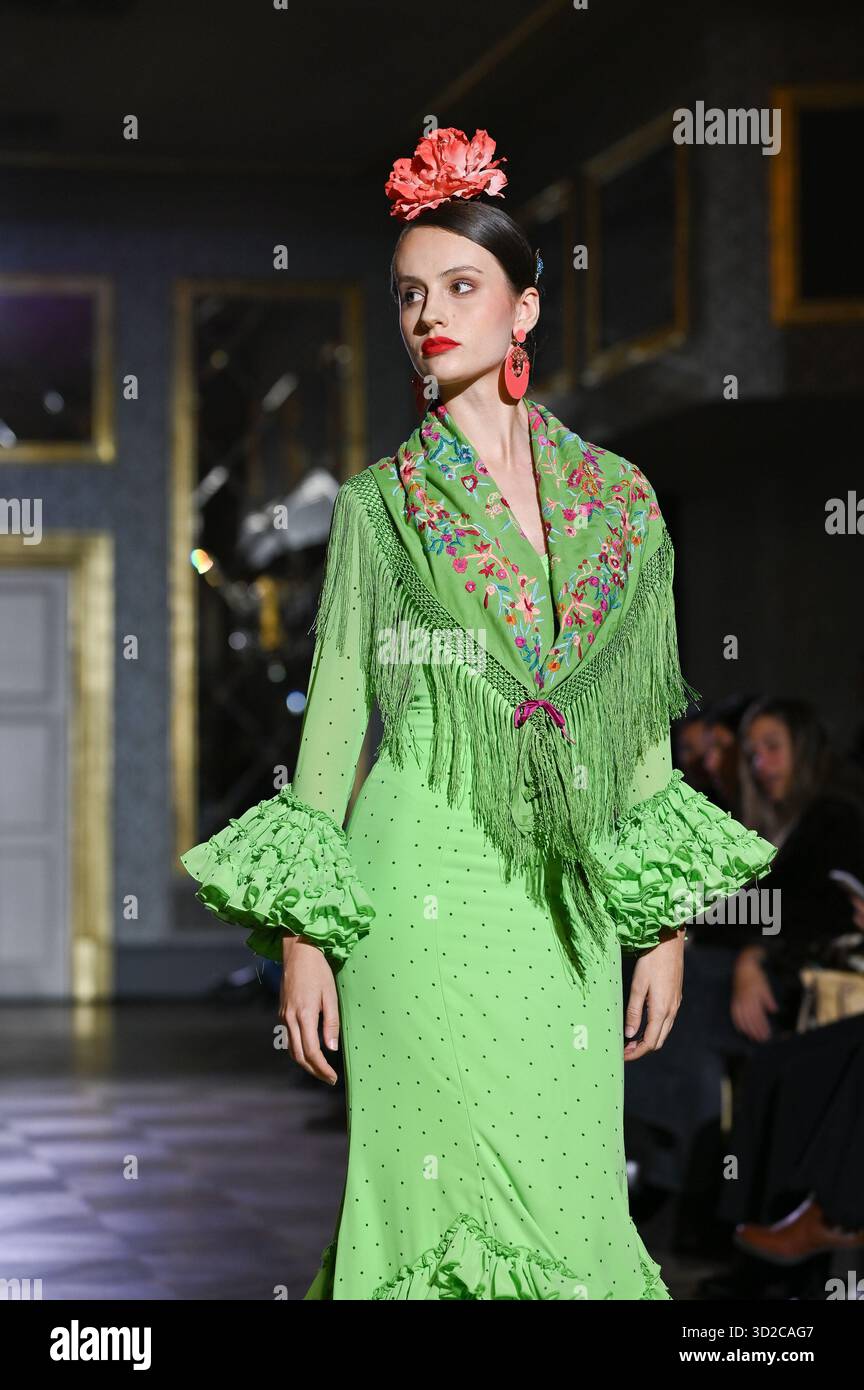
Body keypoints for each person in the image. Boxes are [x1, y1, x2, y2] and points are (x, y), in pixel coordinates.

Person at [179, 127, 777, 1300]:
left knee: (568, 1209)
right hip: (417, 898)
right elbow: (334, 730)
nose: (430, 315)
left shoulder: (622, 504)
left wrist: (662, 925)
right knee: (424, 1216)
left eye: (462, 286)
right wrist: (306, 938)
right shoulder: (376, 510)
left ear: (527, 309)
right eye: (411, 294)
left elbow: (638, 729)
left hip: (564, 910)